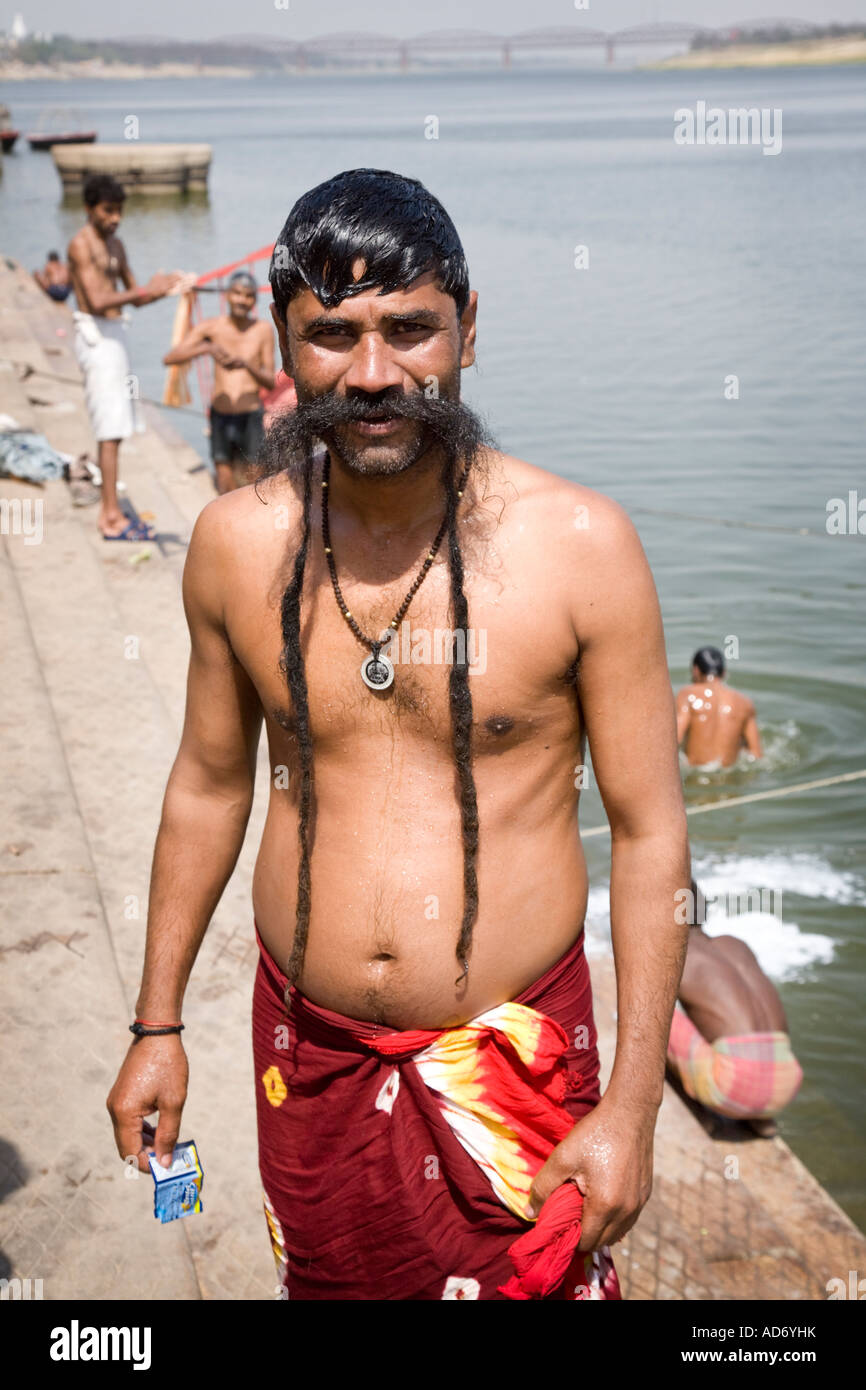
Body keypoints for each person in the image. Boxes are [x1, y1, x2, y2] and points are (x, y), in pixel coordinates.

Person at [106, 168, 691, 1301]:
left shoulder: (580, 547)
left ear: (467, 329)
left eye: (408, 329)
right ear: (281, 343)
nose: (372, 375)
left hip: (513, 1061)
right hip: (305, 1056)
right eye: (331, 334)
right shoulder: (234, 545)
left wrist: (629, 1105)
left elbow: (651, 833)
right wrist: (156, 1021)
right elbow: (209, 784)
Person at [67, 174, 188, 540]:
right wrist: (144, 289)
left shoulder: (116, 244)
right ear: (89, 208)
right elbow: (99, 300)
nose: (115, 218)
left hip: (116, 336)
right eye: (108, 211)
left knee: (117, 429)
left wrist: (167, 288)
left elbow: (134, 295)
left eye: (119, 211)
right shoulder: (80, 245)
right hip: (95, 337)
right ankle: (109, 518)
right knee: (109, 429)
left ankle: (113, 510)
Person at [667, 881, 803, 1137]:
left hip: (729, 1089)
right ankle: (762, 1120)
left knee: (657, 1020)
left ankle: (700, 1113)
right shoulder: (735, 944)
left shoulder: (677, 955)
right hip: (786, 1082)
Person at [162, 271, 275, 494]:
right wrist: (207, 347)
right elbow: (171, 358)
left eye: (248, 295)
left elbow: (270, 381)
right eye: (237, 293)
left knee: (256, 481)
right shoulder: (211, 328)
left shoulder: (262, 330)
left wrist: (246, 364)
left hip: (251, 415)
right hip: (220, 415)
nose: (242, 300)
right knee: (224, 481)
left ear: (254, 300)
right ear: (227, 296)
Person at [675, 645, 762, 768]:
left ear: (696, 670)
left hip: (695, 777)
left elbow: (675, 740)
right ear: (724, 672)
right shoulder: (744, 702)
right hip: (730, 780)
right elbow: (756, 754)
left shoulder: (687, 695)